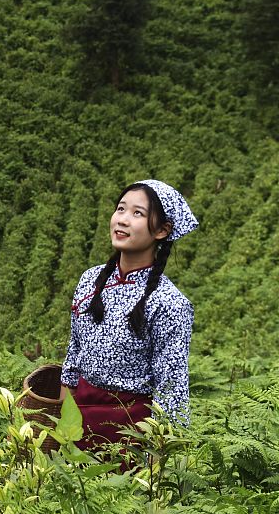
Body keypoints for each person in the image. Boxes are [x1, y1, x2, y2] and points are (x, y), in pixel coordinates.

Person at [61, 180, 197, 451]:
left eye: (138, 213)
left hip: (131, 436)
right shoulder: (90, 280)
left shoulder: (170, 303)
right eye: (121, 209)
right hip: (76, 425)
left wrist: (158, 462)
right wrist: (61, 426)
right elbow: (74, 354)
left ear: (162, 230)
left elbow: (171, 389)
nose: (122, 219)